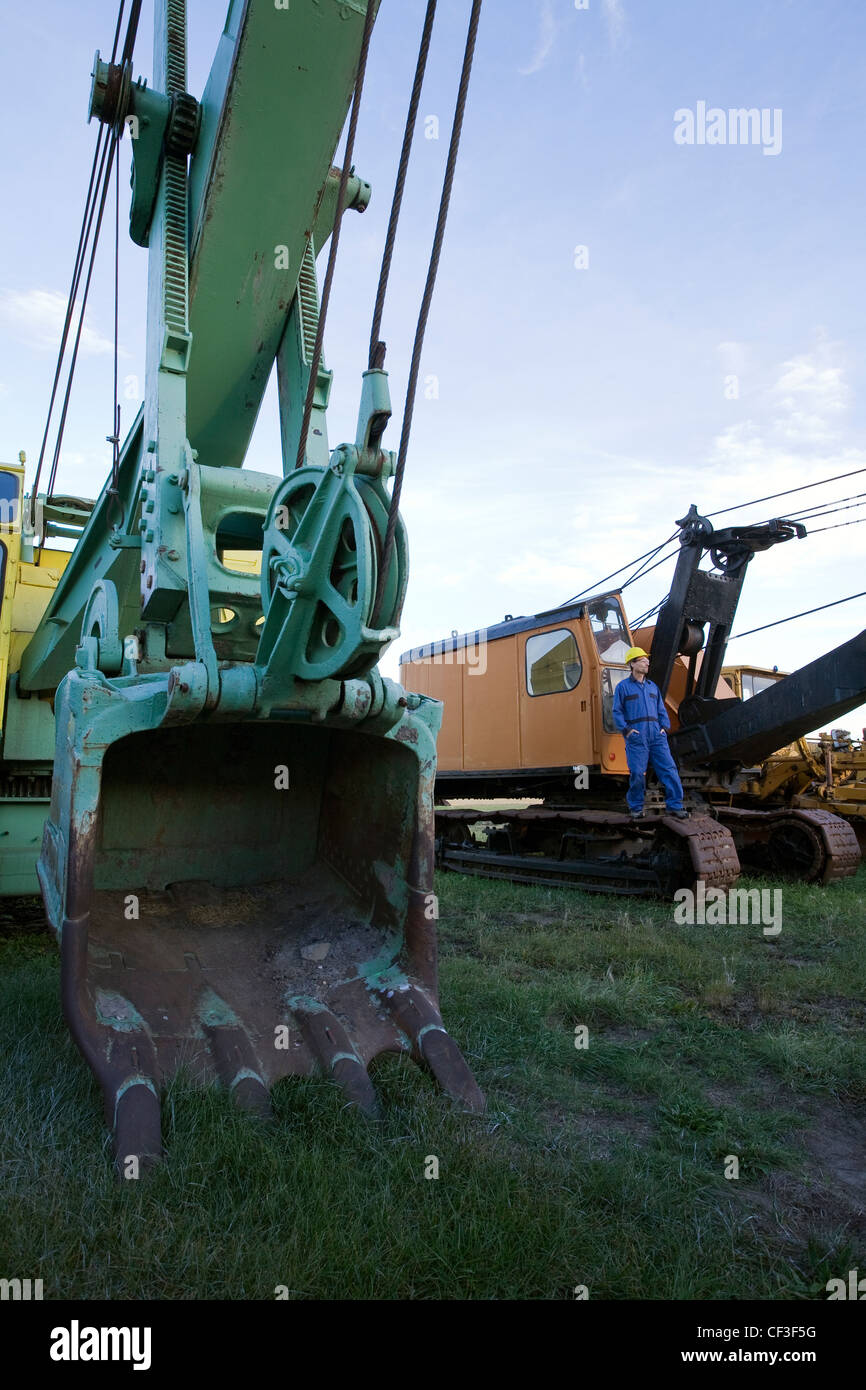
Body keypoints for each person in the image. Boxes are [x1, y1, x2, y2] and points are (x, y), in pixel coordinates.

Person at [612, 647, 688, 819]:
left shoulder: (652, 687)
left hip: (656, 736)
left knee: (669, 770)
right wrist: (627, 730)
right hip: (637, 737)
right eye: (642, 660)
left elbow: (661, 709)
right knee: (638, 773)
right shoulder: (623, 688)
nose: (647, 662)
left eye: (647, 660)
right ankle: (636, 808)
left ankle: (675, 806)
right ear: (632, 664)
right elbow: (617, 712)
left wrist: (664, 728)